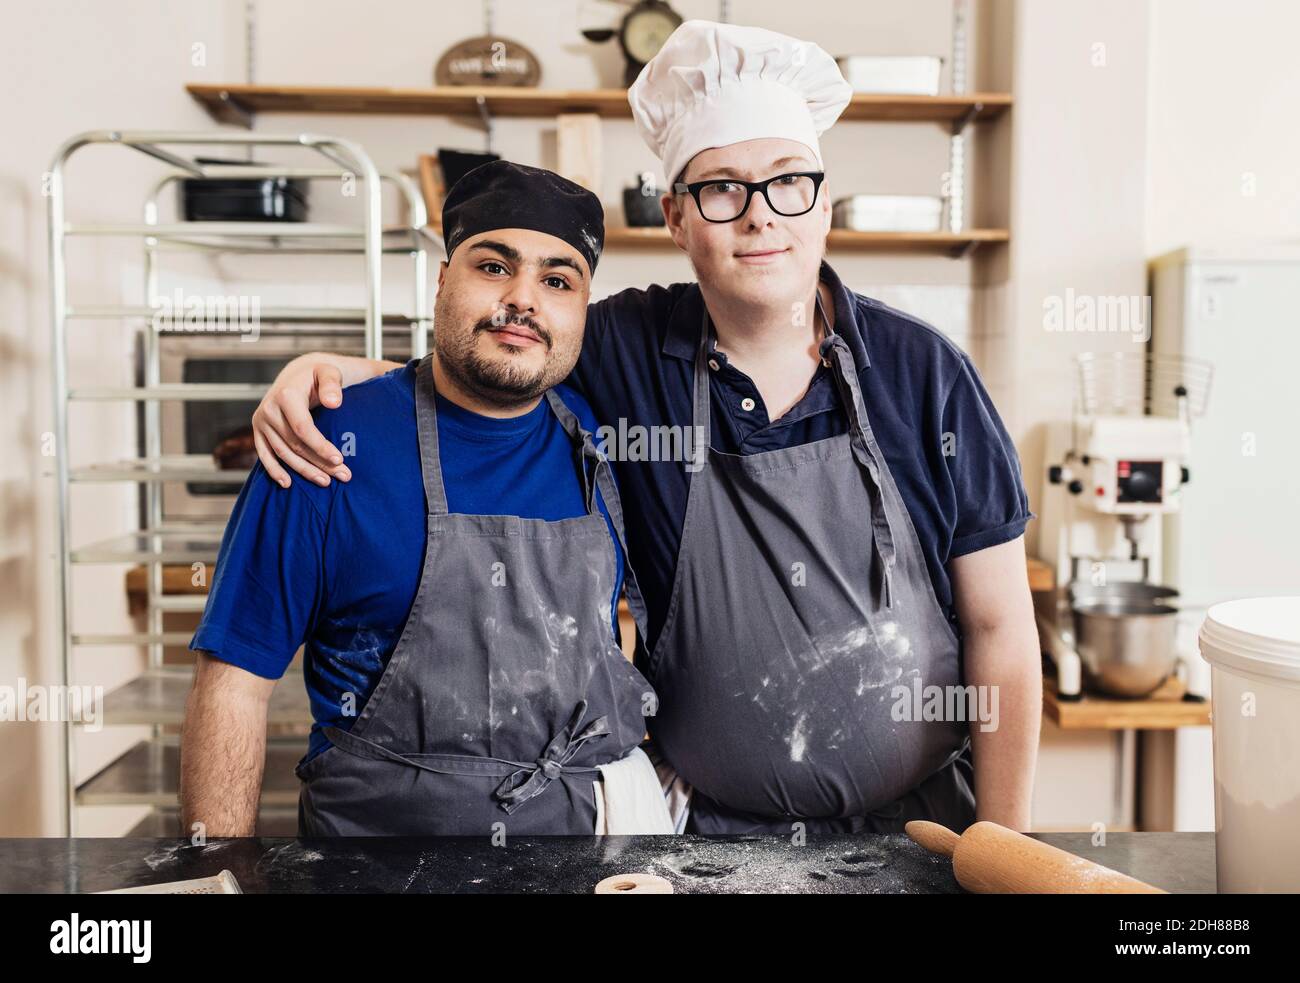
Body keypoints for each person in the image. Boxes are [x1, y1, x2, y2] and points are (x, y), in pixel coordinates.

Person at [250, 21, 1041, 835]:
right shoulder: (628, 350)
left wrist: (1004, 851)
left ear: (823, 200)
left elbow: (1001, 629)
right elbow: (499, 354)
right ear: (674, 216)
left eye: (787, 183)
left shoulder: (926, 376)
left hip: (927, 833)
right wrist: (335, 371)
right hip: (711, 843)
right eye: (722, 188)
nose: (760, 216)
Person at [181, 162, 672, 836]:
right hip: (376, 861)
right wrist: (215, 871)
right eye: (494, 266)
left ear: (581, 309)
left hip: (580, 852)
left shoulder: (605, 436)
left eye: (557, 280)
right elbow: (234, 681)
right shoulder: (324, 442)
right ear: (443, 280)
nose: (524, 299)